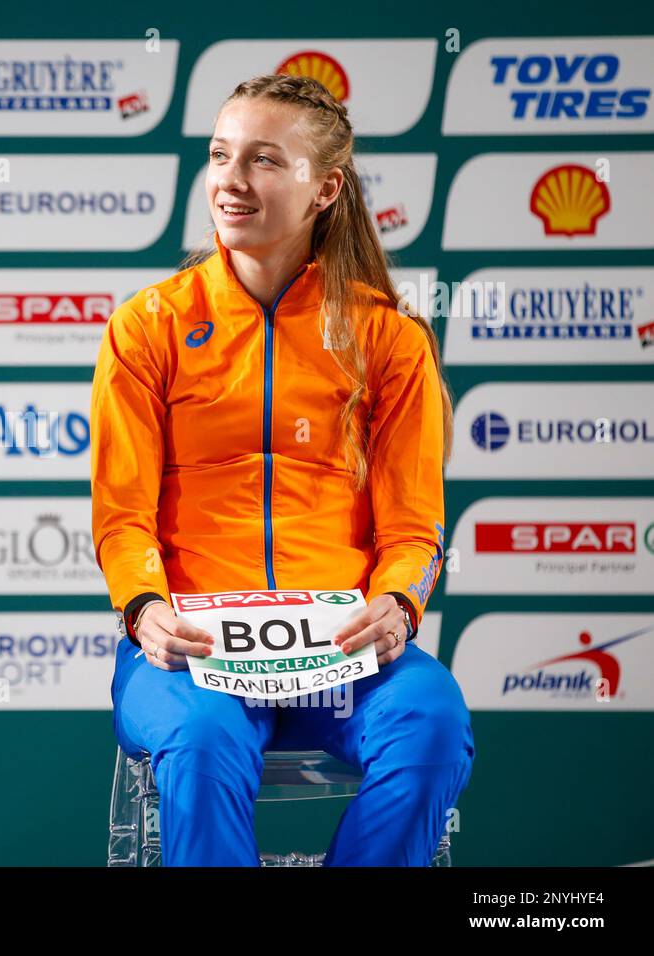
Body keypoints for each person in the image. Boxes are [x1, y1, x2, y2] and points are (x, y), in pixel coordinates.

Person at [90, 74, 475, 866]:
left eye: (264, 160)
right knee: (198, 743)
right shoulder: (149, 326)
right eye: (220, 155)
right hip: (194, 656)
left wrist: (398, 604)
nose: (231, 181)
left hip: (346, 659)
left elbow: (412, 527)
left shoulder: (389, 339)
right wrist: (144, 609)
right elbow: (122, 518)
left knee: (433, 726)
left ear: (325, 187)